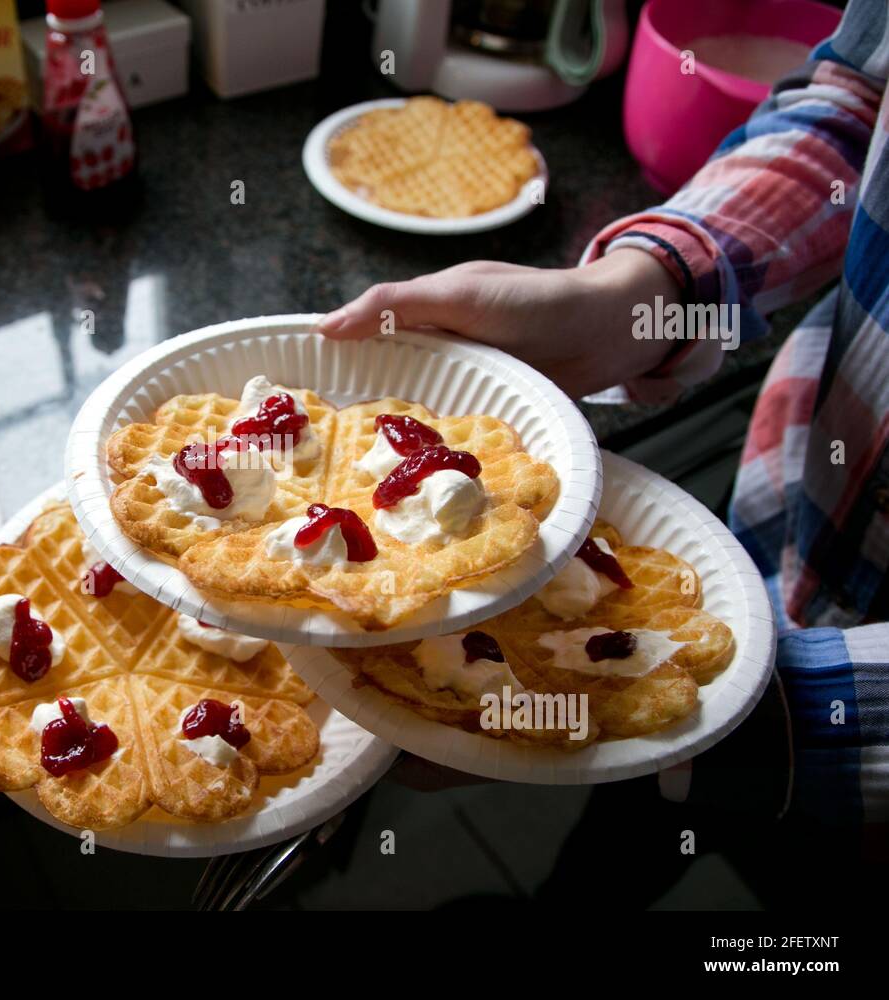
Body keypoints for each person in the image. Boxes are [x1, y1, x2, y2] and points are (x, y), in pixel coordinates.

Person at [319, 0, 887, 827]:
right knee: (630, 835)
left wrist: (772, 720)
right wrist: (641, 296)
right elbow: (855, 108)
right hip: (801, 489)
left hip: (862, 761)